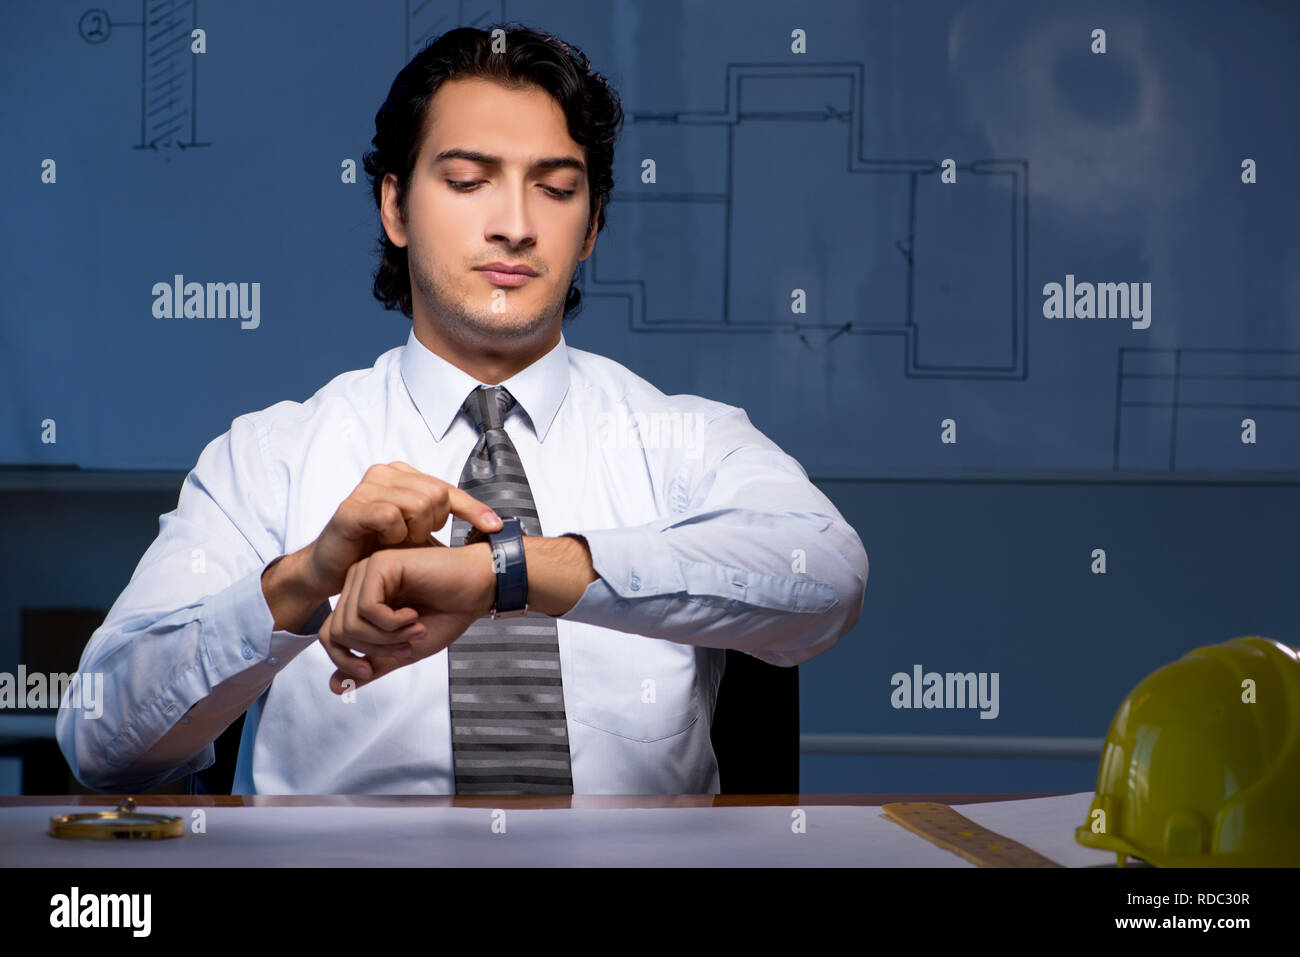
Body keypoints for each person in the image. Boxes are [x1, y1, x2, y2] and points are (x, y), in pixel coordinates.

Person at [57, 24, 868, 795]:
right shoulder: (270, 457)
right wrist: (305, 578)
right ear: (395, 207)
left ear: (591, 229)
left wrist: (503, 574)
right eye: (469, 181)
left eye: (554, 189)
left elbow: (829, 577)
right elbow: (101, 744)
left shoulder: (685, 438)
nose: (515, 226)